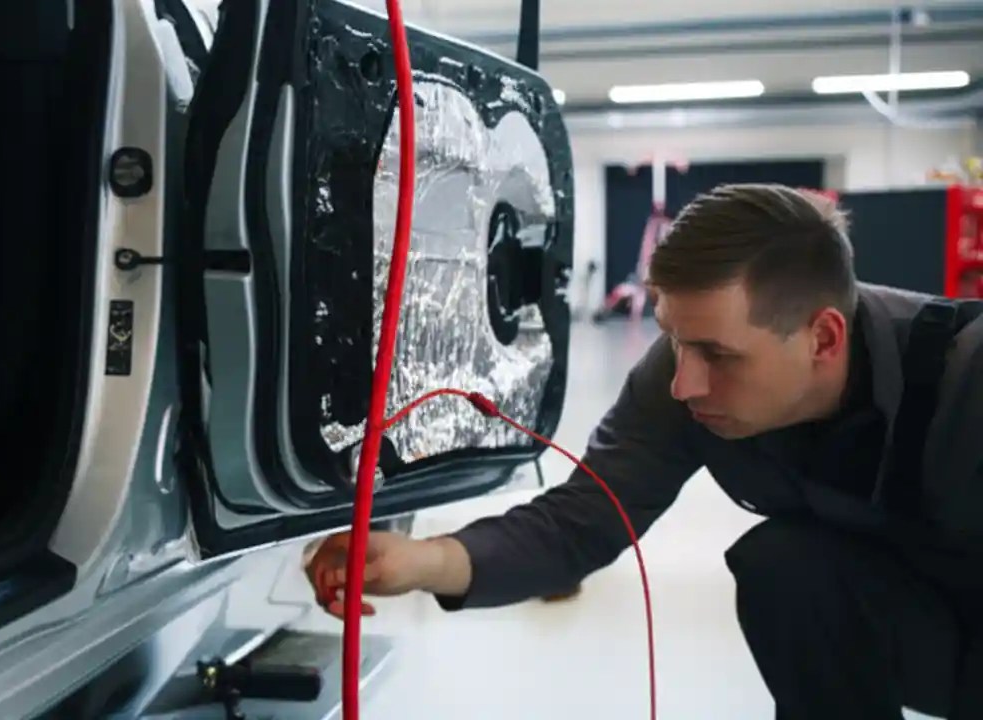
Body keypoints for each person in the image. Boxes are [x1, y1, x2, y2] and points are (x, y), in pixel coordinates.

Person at [305, 183, 983, 720]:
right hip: (922, 627)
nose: (684, 383)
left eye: (717, 354)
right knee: (787, 569)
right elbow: (585, 518)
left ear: (824, 339)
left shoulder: (966, 379)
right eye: (673, 339)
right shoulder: (682, 377)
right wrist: (421, 561)